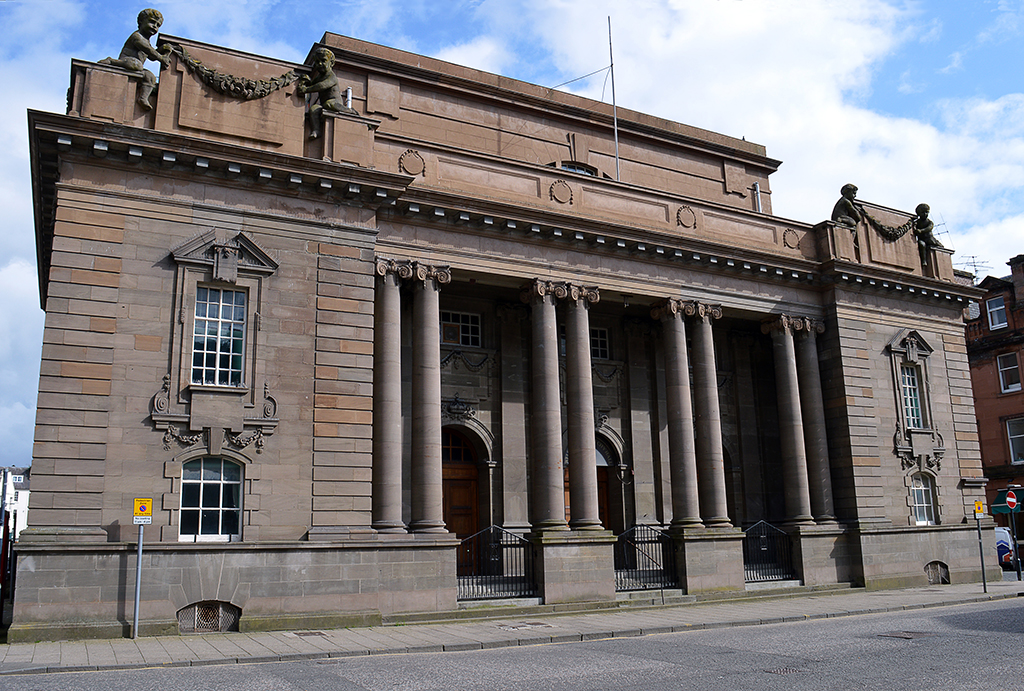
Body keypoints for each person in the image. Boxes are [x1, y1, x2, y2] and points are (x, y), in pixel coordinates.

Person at [99, 8, 170, 110]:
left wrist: (161, 50)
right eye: (152, 22)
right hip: (128, 61)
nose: (155, 26)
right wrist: (161, 57)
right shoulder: (137, 36)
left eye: (158, 25)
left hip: (138, 67)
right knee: (136, 64)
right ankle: (111, 61)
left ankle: (143, 98)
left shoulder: (147, 41)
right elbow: (148, 50)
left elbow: (151, 56)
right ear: (141, 21)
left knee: (150, 77)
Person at [296, 48, 357, 139]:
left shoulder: (331, 76)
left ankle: (350, 111)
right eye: (317, 62)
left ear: (331, 63)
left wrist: (306, 89)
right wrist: (305, 81)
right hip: (323, 105)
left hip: (333, 102)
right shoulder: (318, 77)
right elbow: (313, 84)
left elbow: (322, 86)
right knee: (313, 109)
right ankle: (316, 130)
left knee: (329, 104)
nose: (320, 64)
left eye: (323, 61)